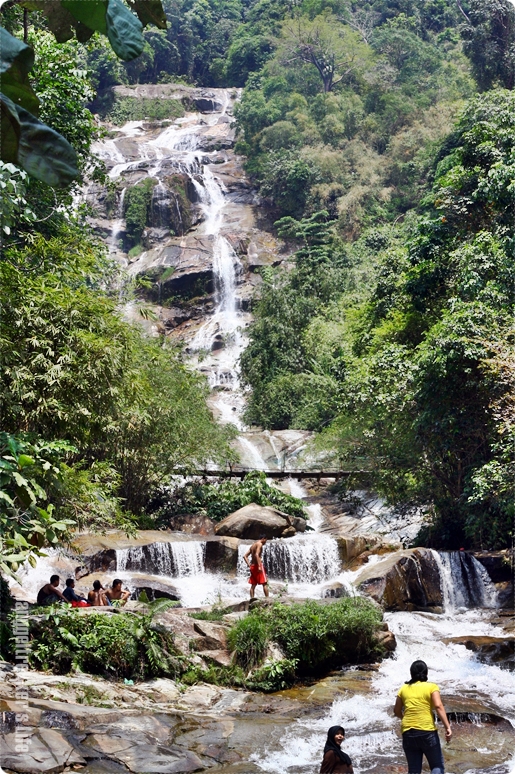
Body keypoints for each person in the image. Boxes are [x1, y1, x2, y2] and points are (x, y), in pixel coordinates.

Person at [394, 659, 452, 774]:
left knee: (414, 770)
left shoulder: (403, 689)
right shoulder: (431, 687)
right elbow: (438, 706)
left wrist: (405, 719)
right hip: (427, 731)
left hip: (408, 732)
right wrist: (447, 727)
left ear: (411, 674)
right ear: (426, 673)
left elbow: (396, 711)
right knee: (437, 766)